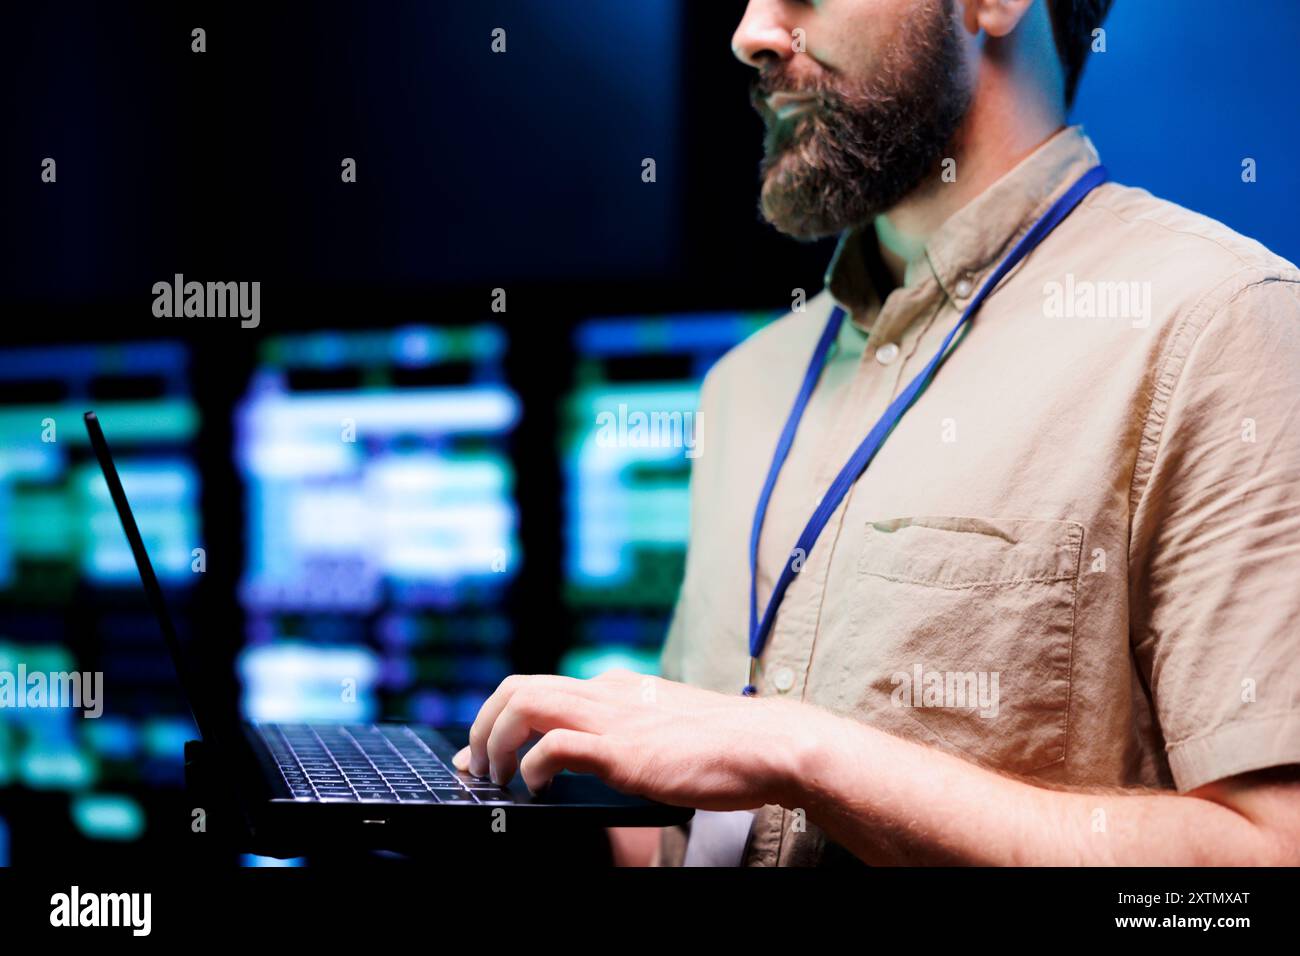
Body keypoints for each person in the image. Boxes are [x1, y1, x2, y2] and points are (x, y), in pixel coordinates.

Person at [453, 0, 1300, 866]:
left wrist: (801, 751)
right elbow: (697, 838)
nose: (748, 34)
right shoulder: (746, 384)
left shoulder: (1221, 329)